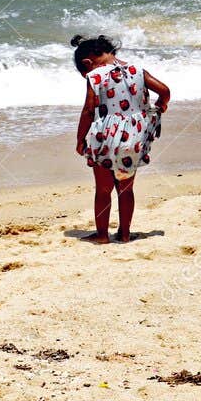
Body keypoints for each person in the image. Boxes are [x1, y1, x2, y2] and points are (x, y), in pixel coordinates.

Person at [71, 34, 170, 244]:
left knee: (104, 190)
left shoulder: (96, 76)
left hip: (105, 139)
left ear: (87, 63)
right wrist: (161, 104)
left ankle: (102, 235)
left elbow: (89, 111)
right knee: (126, 189)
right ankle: (125, 235)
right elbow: (165, 90)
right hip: (134, 138)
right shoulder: (137, 69)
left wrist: (80, 140)